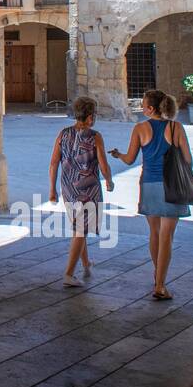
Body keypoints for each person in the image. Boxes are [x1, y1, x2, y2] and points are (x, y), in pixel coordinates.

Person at [109, 89, 192, 300]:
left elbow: (129, 160)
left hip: (148, 185)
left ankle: (158, 278)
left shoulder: (139, 129)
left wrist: (118, 154)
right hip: (171, 185)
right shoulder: (176, 128)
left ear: (151, 109)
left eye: (144, 105)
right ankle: (160, 285)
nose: (142, 108)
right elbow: (188, 161)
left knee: (154, 234)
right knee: (167, 237)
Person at [48, 96, 115, 287]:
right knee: (80, 229)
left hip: (68, 188)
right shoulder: (95, 136)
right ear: (91, 117)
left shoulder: (63, 134)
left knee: (79, 227)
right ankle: (68, 274)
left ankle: (85, 263)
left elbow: (54, 163)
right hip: (88, 189)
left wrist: (52, 189)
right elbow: (103, 164)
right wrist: (109, 180)